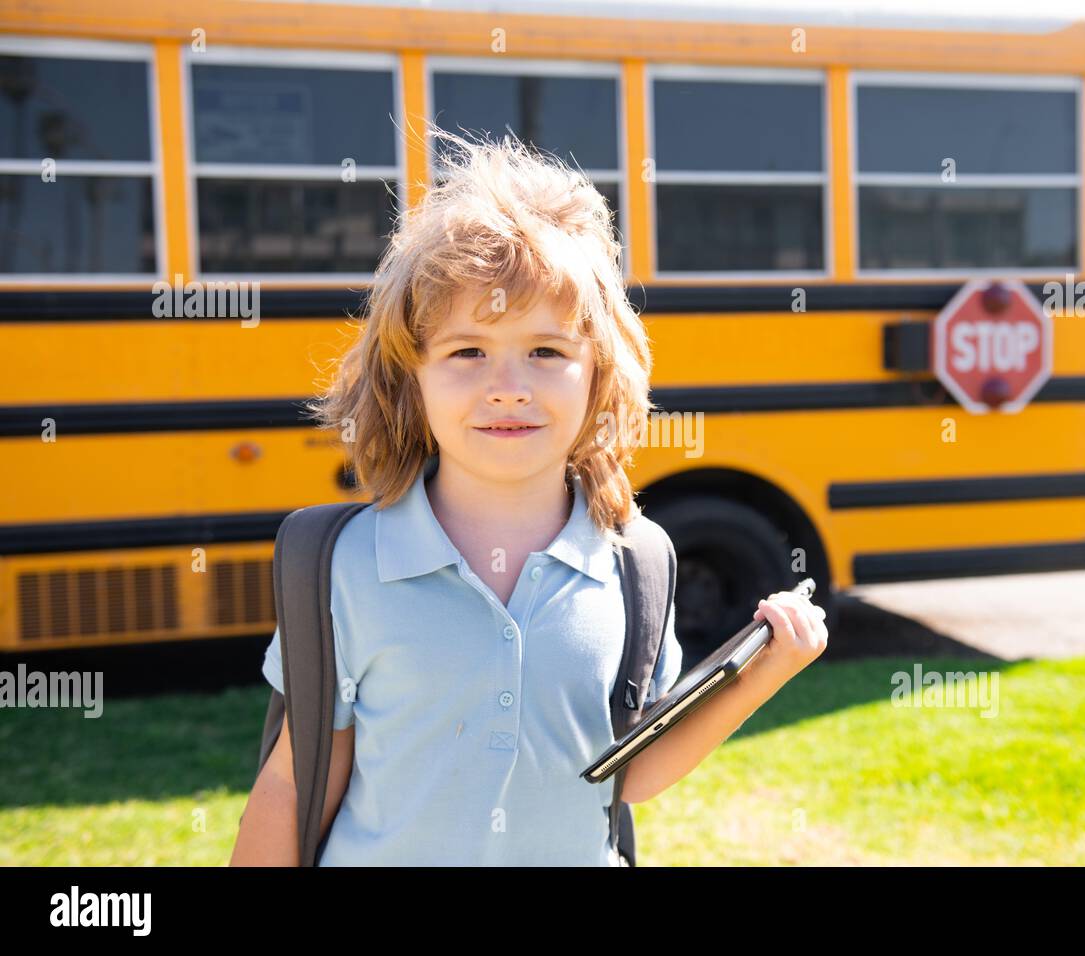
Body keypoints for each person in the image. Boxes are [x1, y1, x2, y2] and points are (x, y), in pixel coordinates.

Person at [230, 127, 828, 866]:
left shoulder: (636, 564)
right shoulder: (348, 564)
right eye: (467, 351)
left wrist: (766, 670)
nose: (507, 385)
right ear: (409, 378)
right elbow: (295, 782)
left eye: (546, 351)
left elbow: (629, 774)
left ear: (599, 376)